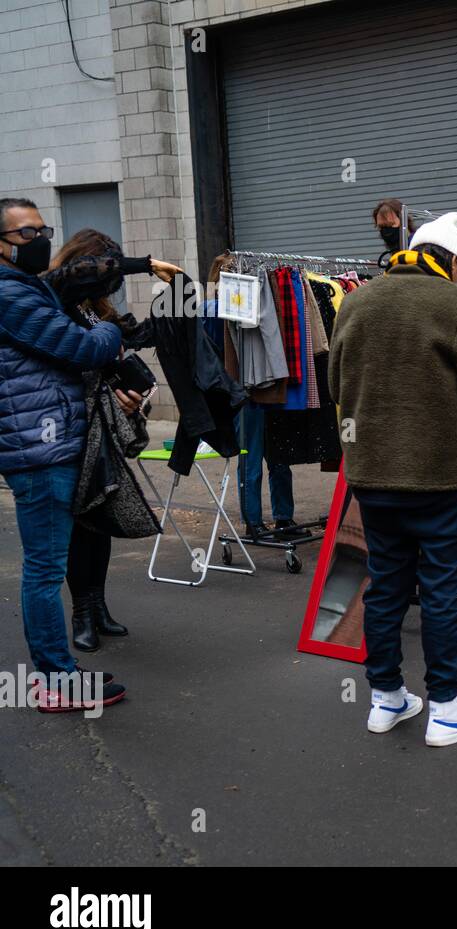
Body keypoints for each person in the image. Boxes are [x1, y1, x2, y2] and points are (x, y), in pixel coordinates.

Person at [330, 211, 457, 747]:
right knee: (440, 593)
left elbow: (337, 384)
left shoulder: (356, 300)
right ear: (451, 261)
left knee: (384, 588)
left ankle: (386, 699)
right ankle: (447, 709)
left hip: (373, 476)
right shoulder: (456, 305)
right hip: (442, 477)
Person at [0, 199, 125, 710]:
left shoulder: (23, 287)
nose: (41, 240)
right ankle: (56, 680)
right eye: (27, 234)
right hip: (40, 449)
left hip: (42, 442)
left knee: (46, 566)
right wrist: (113, 329)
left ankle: (54, 670)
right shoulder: (10, 294)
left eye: (43, 229)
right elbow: (83, 349)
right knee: (46, 570)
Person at [43, 228, 180, 652]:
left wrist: (179, 296)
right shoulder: (56, 298)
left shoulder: (95, 310)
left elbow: (142, 336)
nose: (109, 282)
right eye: (105, 269)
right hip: (67, 429)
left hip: (100, 427)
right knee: (76, 527)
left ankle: (97, 607)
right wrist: (143, 264)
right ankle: (81, 614)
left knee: (97, 522)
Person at [205, 253, 297, 541]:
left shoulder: (217, 306)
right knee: (261, 456)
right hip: (247, 389)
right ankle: (265, 519)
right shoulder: (214, 308)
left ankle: (264, 519)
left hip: (248, 386)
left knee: (265, 455)